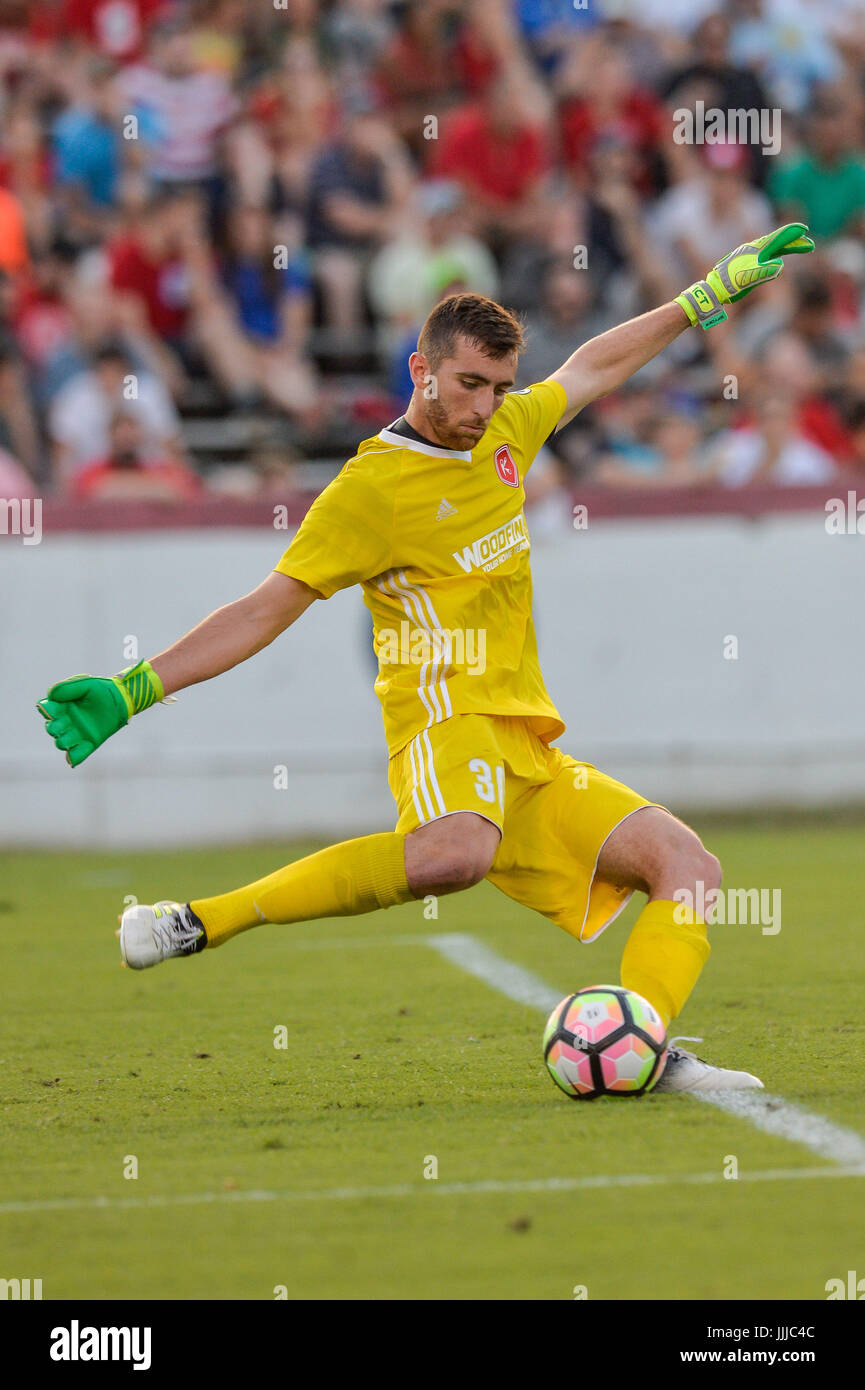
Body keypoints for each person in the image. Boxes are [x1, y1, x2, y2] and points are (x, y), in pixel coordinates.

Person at [36, 224, 816, 1093]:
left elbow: (590, 367)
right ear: (421, 370)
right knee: (453, 856)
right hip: (444, 725)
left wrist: (702, 296)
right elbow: (267, 607)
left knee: (691, 871)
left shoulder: (508, 432)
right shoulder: (370, 489)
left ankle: (642, 1047)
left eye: (498, 387)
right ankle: (197, 921)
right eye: (468, 384)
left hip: (525, 746)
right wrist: (136, 686)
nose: (484, 406)